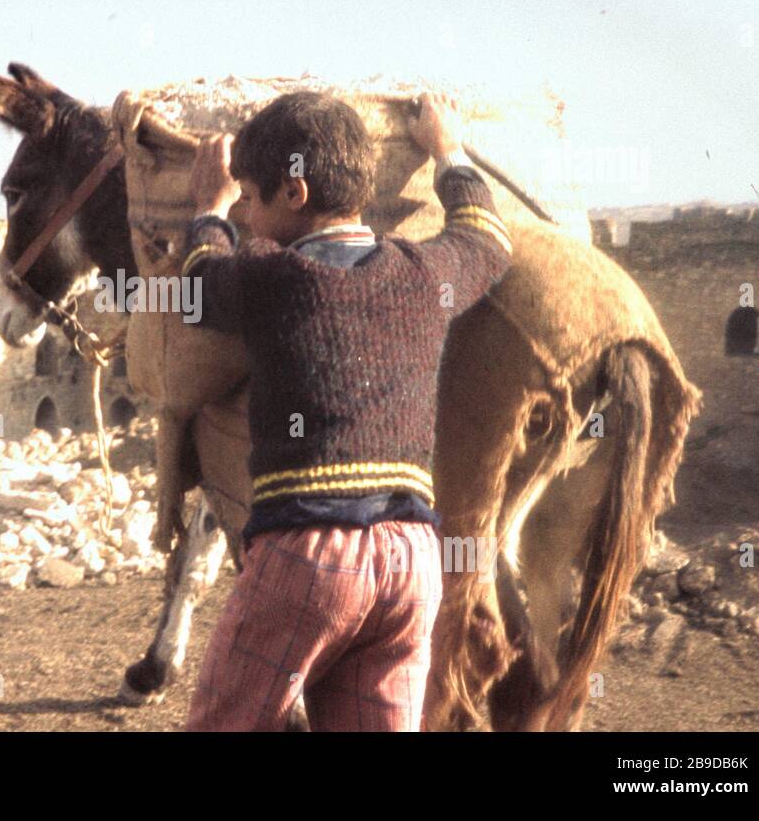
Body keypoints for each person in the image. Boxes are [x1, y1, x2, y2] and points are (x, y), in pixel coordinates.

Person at [181, 90, 513, 731]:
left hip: (309, 555)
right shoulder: (424, 274)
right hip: (414, 562)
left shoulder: (276, 277)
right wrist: (449, 149)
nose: (247, 216)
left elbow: (196, 290)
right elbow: (487, 240)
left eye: (252, 197)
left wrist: (208, 209)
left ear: (295, 193)